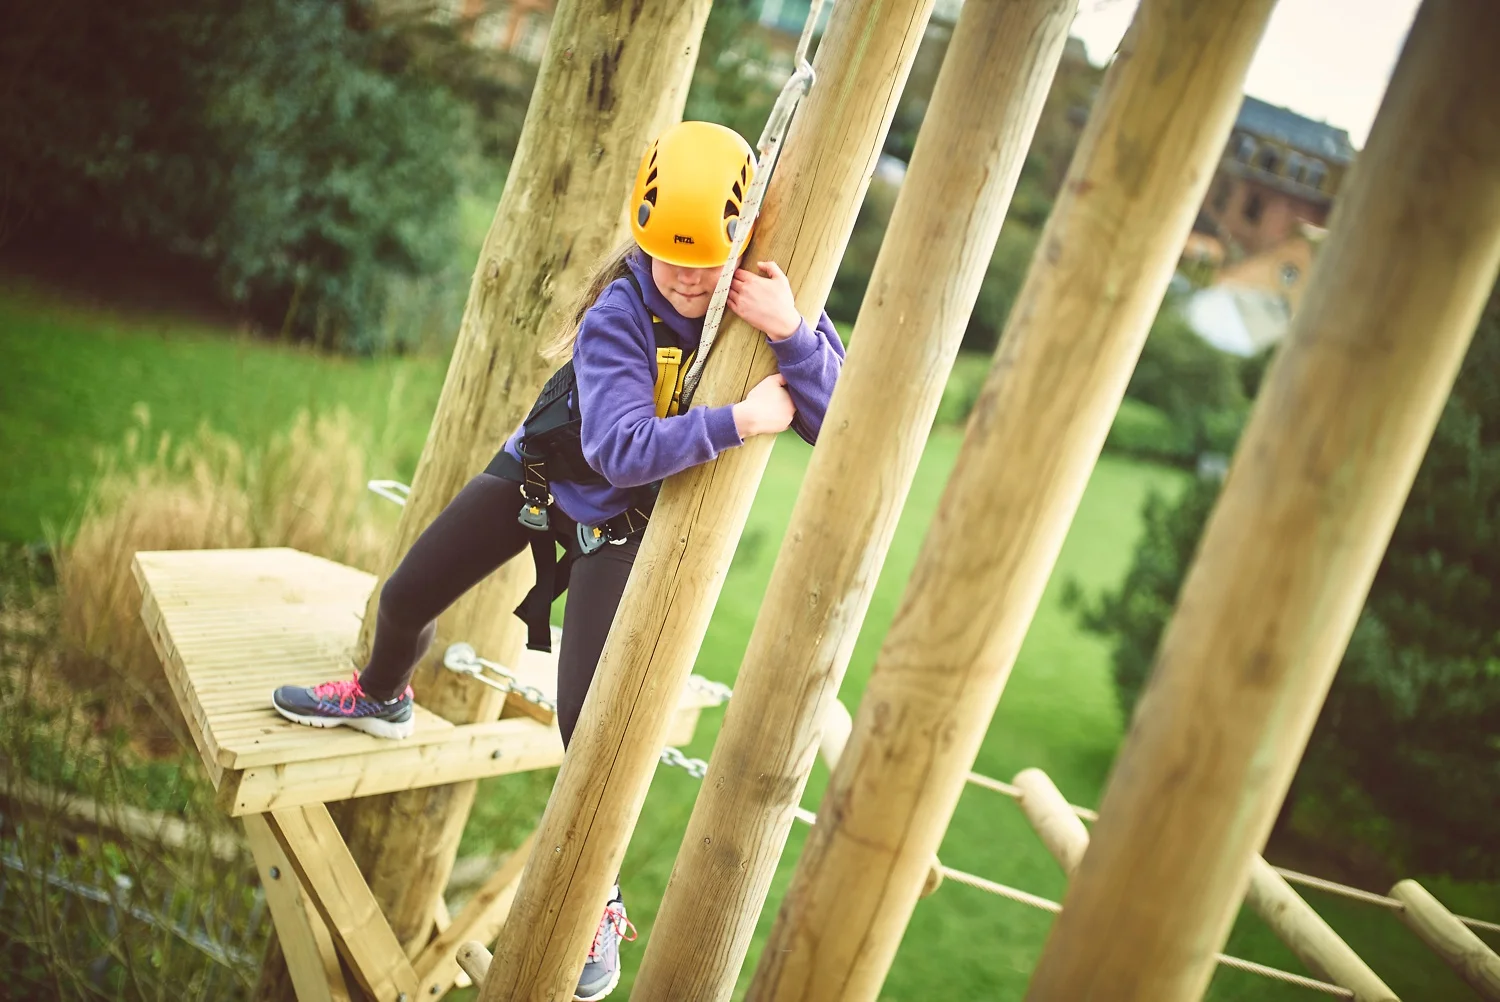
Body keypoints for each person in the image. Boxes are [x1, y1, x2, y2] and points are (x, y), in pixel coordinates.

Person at [267, 120, 845, 1000]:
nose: (688, 280)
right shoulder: (620, 309)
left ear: (741, 239)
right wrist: (742, 420)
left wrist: (794, 332)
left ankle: (599, 902)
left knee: (588, 723)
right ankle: (382, 694)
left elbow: (836, 417)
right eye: (667, 260)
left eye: (704, 263)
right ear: (643, 239)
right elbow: (617, 446)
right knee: (406, 593)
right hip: (541, 476)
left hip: (620, 528)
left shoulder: (761, 296)